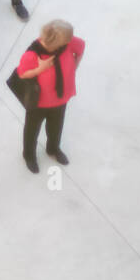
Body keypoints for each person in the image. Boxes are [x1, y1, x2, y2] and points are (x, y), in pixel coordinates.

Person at [16, 21, 85, 171]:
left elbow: (81, 47)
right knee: (32, 131)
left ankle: (53, 149)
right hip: (38, 103)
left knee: (56, 128)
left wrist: (75, 66)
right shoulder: (32, 54)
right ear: (57, 42)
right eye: (68, 39)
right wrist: (40, 69)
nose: (71, 40)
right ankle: (29, 155)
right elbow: (22, 74)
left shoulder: (68, 43)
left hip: (60, 100)